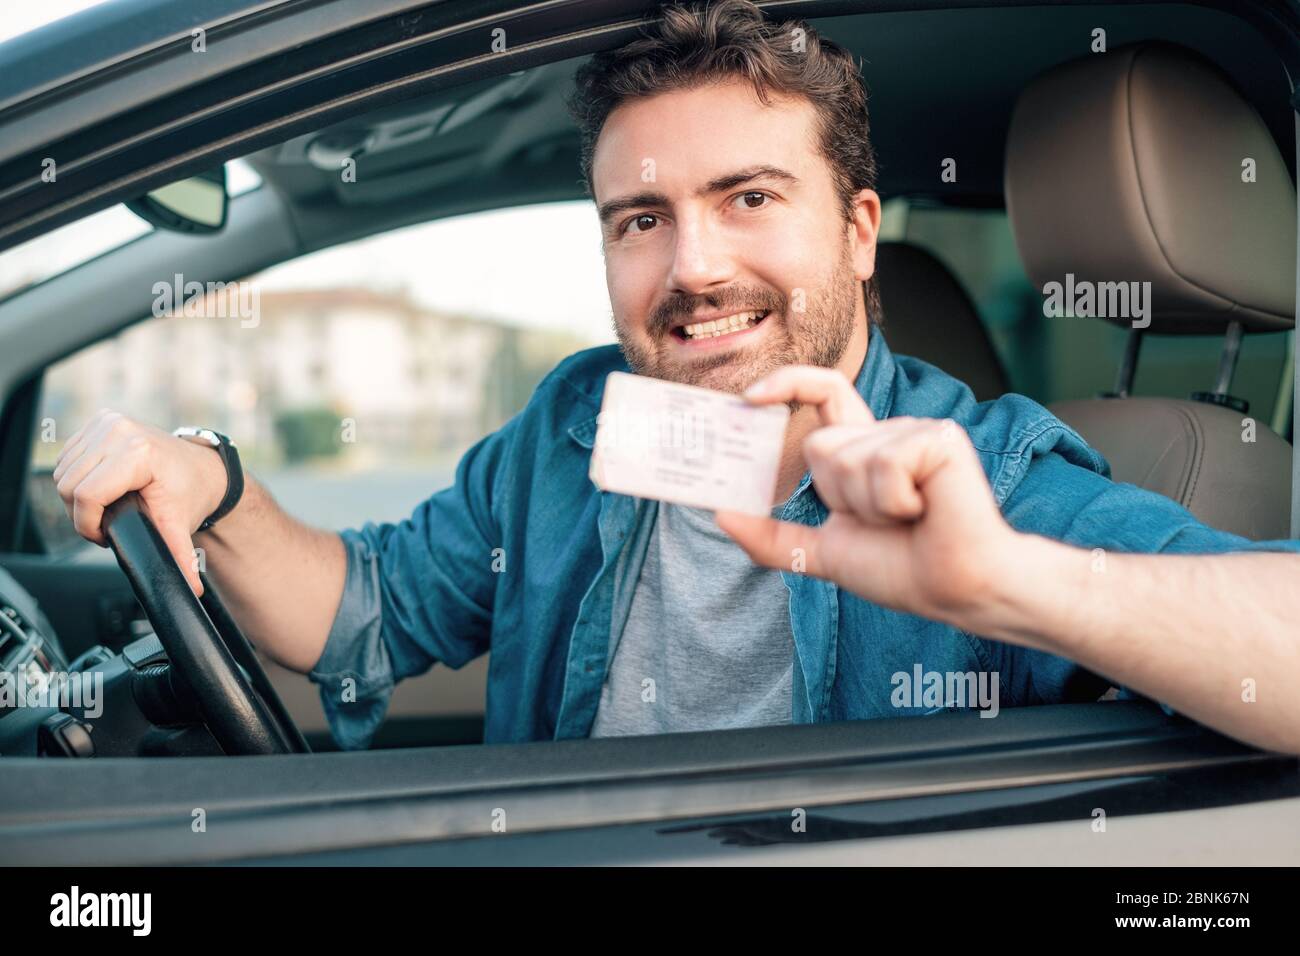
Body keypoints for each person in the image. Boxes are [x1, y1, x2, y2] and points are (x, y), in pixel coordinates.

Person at [53, 0, 1300, 752]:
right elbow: (363, 607)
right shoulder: (575, 425)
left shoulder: (986, 472)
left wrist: (1001, 580)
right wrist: (213, 483)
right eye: (639, 218)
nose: (691, 267)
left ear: (858, 231)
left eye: (747, 198)